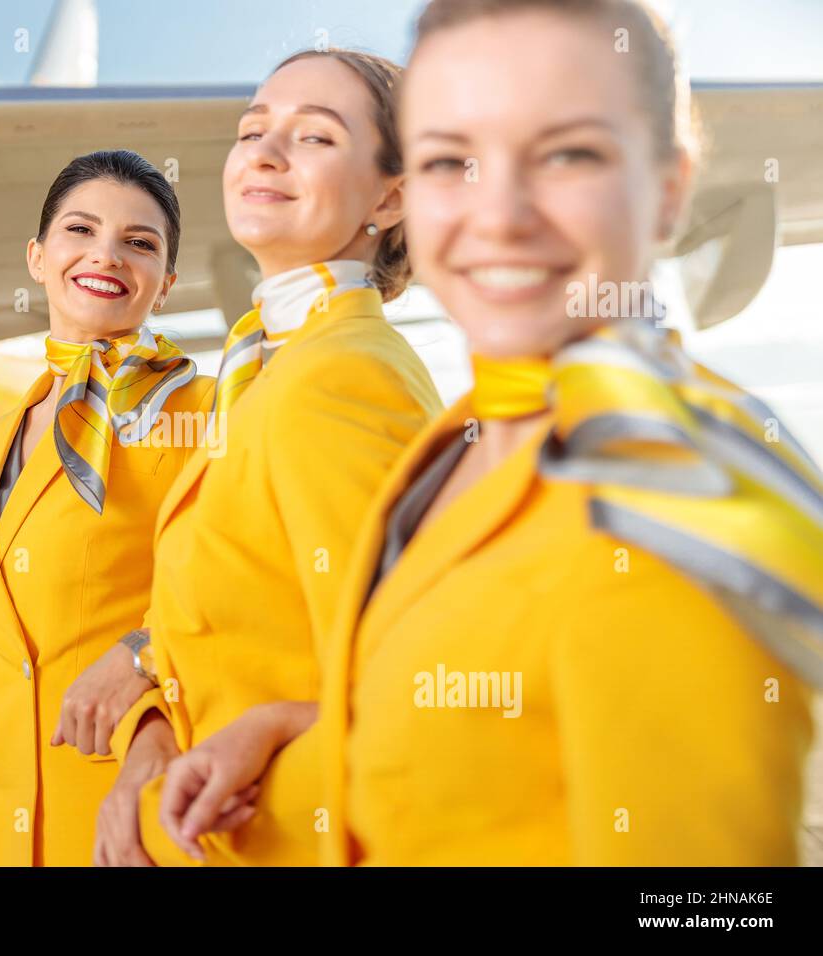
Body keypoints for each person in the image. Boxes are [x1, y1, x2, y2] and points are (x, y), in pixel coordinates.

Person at [304, 0, 820, 865]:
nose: (498, 215)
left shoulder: (665, 507)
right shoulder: (476, 429)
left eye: (568, 153)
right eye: (449, 161)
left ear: (669, 187)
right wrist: (299, 739)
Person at [55, 50, 444, 866]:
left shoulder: (343, 373)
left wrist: (263, 733)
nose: (264, 153)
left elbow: (421, 689)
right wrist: (155, 736)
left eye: (314, 136)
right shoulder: (266, 365)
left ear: (391, 194)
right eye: (252, 130)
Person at [0, 150, 215, 866]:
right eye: (80, 230)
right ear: (38, 256)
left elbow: (260, 600)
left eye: (139, 243)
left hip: (128, 829)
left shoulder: (205, 417)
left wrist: (144, 653)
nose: (105, 254)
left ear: (165, 284)